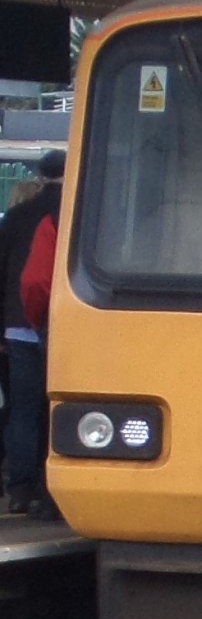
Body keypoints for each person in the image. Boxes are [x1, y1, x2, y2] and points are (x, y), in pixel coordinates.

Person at [0, 149, 64, 519]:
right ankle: (52, 488)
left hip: (18, 325)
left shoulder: (17, 216)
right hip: (58, 326)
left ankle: (21, 488)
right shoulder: (75, 213)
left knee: (23, 410)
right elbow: (38, 280)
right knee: (58, 407)